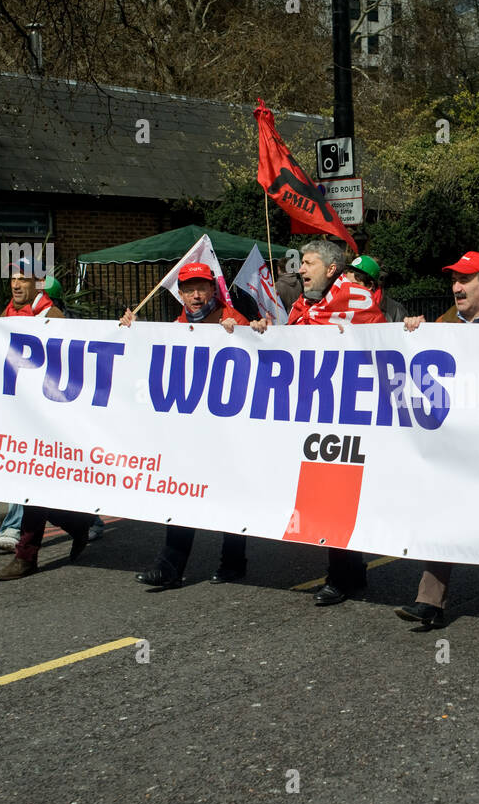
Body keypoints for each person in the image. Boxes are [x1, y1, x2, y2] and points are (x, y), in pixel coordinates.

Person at [396, 251, 479, 628]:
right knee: (444, 512)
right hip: (456, 441)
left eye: (465, 279)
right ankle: (429, 602)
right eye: (454, 279)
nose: (456, 287)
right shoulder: (442, 323)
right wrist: (414, 332)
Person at [252, 239, 380, 605]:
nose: (300, 271)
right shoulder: (305, 305)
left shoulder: (354, 299)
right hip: (315, 412)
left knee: (334, 492)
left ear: (331, 268)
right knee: (325, 491)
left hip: (348, 415)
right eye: (301, 264)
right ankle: (351, 572)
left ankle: (340, 576)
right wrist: (265, 330)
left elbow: (383, 338)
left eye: (308, 264)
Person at [119, 262, 251, 588]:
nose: (195, 294)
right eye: (189, 288)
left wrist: (249, 331)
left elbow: (266, 348)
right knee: (182, 494)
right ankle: (169, 567)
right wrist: (133, 331)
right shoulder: (177, 325)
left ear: (213, 290)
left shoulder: (233, 321)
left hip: (229, 431)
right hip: (191, 431)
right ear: (179, 294)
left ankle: (234, 562)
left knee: (228, 495)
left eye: (202, 287)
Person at [345, 254, 406, 323]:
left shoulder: (395, 310)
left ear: (370, 285)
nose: (350, 289)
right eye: (347, 284)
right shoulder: (340, 305)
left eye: (355, 285)